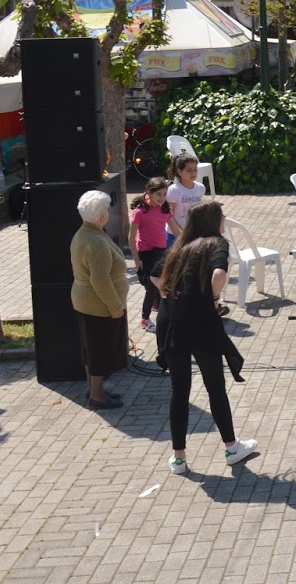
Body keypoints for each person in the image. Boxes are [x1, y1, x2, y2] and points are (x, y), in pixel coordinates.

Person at [154, 198, 257, 472]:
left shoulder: (180, 246)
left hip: (172, 322)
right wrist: (212, 297)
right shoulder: (216, 243)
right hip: (200, 324)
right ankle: (232, 448)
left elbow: (154, 276)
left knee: (179, 390)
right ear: (214, 221)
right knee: (215, 387)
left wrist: (172, 295)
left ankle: (179, 458)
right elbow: (219, 274)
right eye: (222, 217)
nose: (224, 221)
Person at [70, 190, 128, 411]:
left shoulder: (84, 233)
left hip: (85, 302)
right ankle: (97, 397)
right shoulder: (96, 242)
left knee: (91, 349)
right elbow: (100, 280)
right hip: (98, 306)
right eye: (106, 210)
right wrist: (115, 307)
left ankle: (95, 390)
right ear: (102, 215)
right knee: (99, 352)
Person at [130, 178, 172, 333]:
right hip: (146, 253)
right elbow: (131, 238)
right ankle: (145, 318)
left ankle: (164, 315)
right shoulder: (140, 212)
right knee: (151, 287)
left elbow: (177, 230)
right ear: (149, 193)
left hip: (161, 251)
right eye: (158, 194)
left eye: (164, 194)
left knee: (163, 284)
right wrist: (136, 260)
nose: (162, 198)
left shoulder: (165, 210)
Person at [166, 154, 206, 249]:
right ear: (180, 171)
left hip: (194, 234)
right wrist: (181, 234)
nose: (193, 173)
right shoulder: (174, 190)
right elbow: (169, 215)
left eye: (195, 169)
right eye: (189, 170)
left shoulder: (200, 188)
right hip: (174, 235)